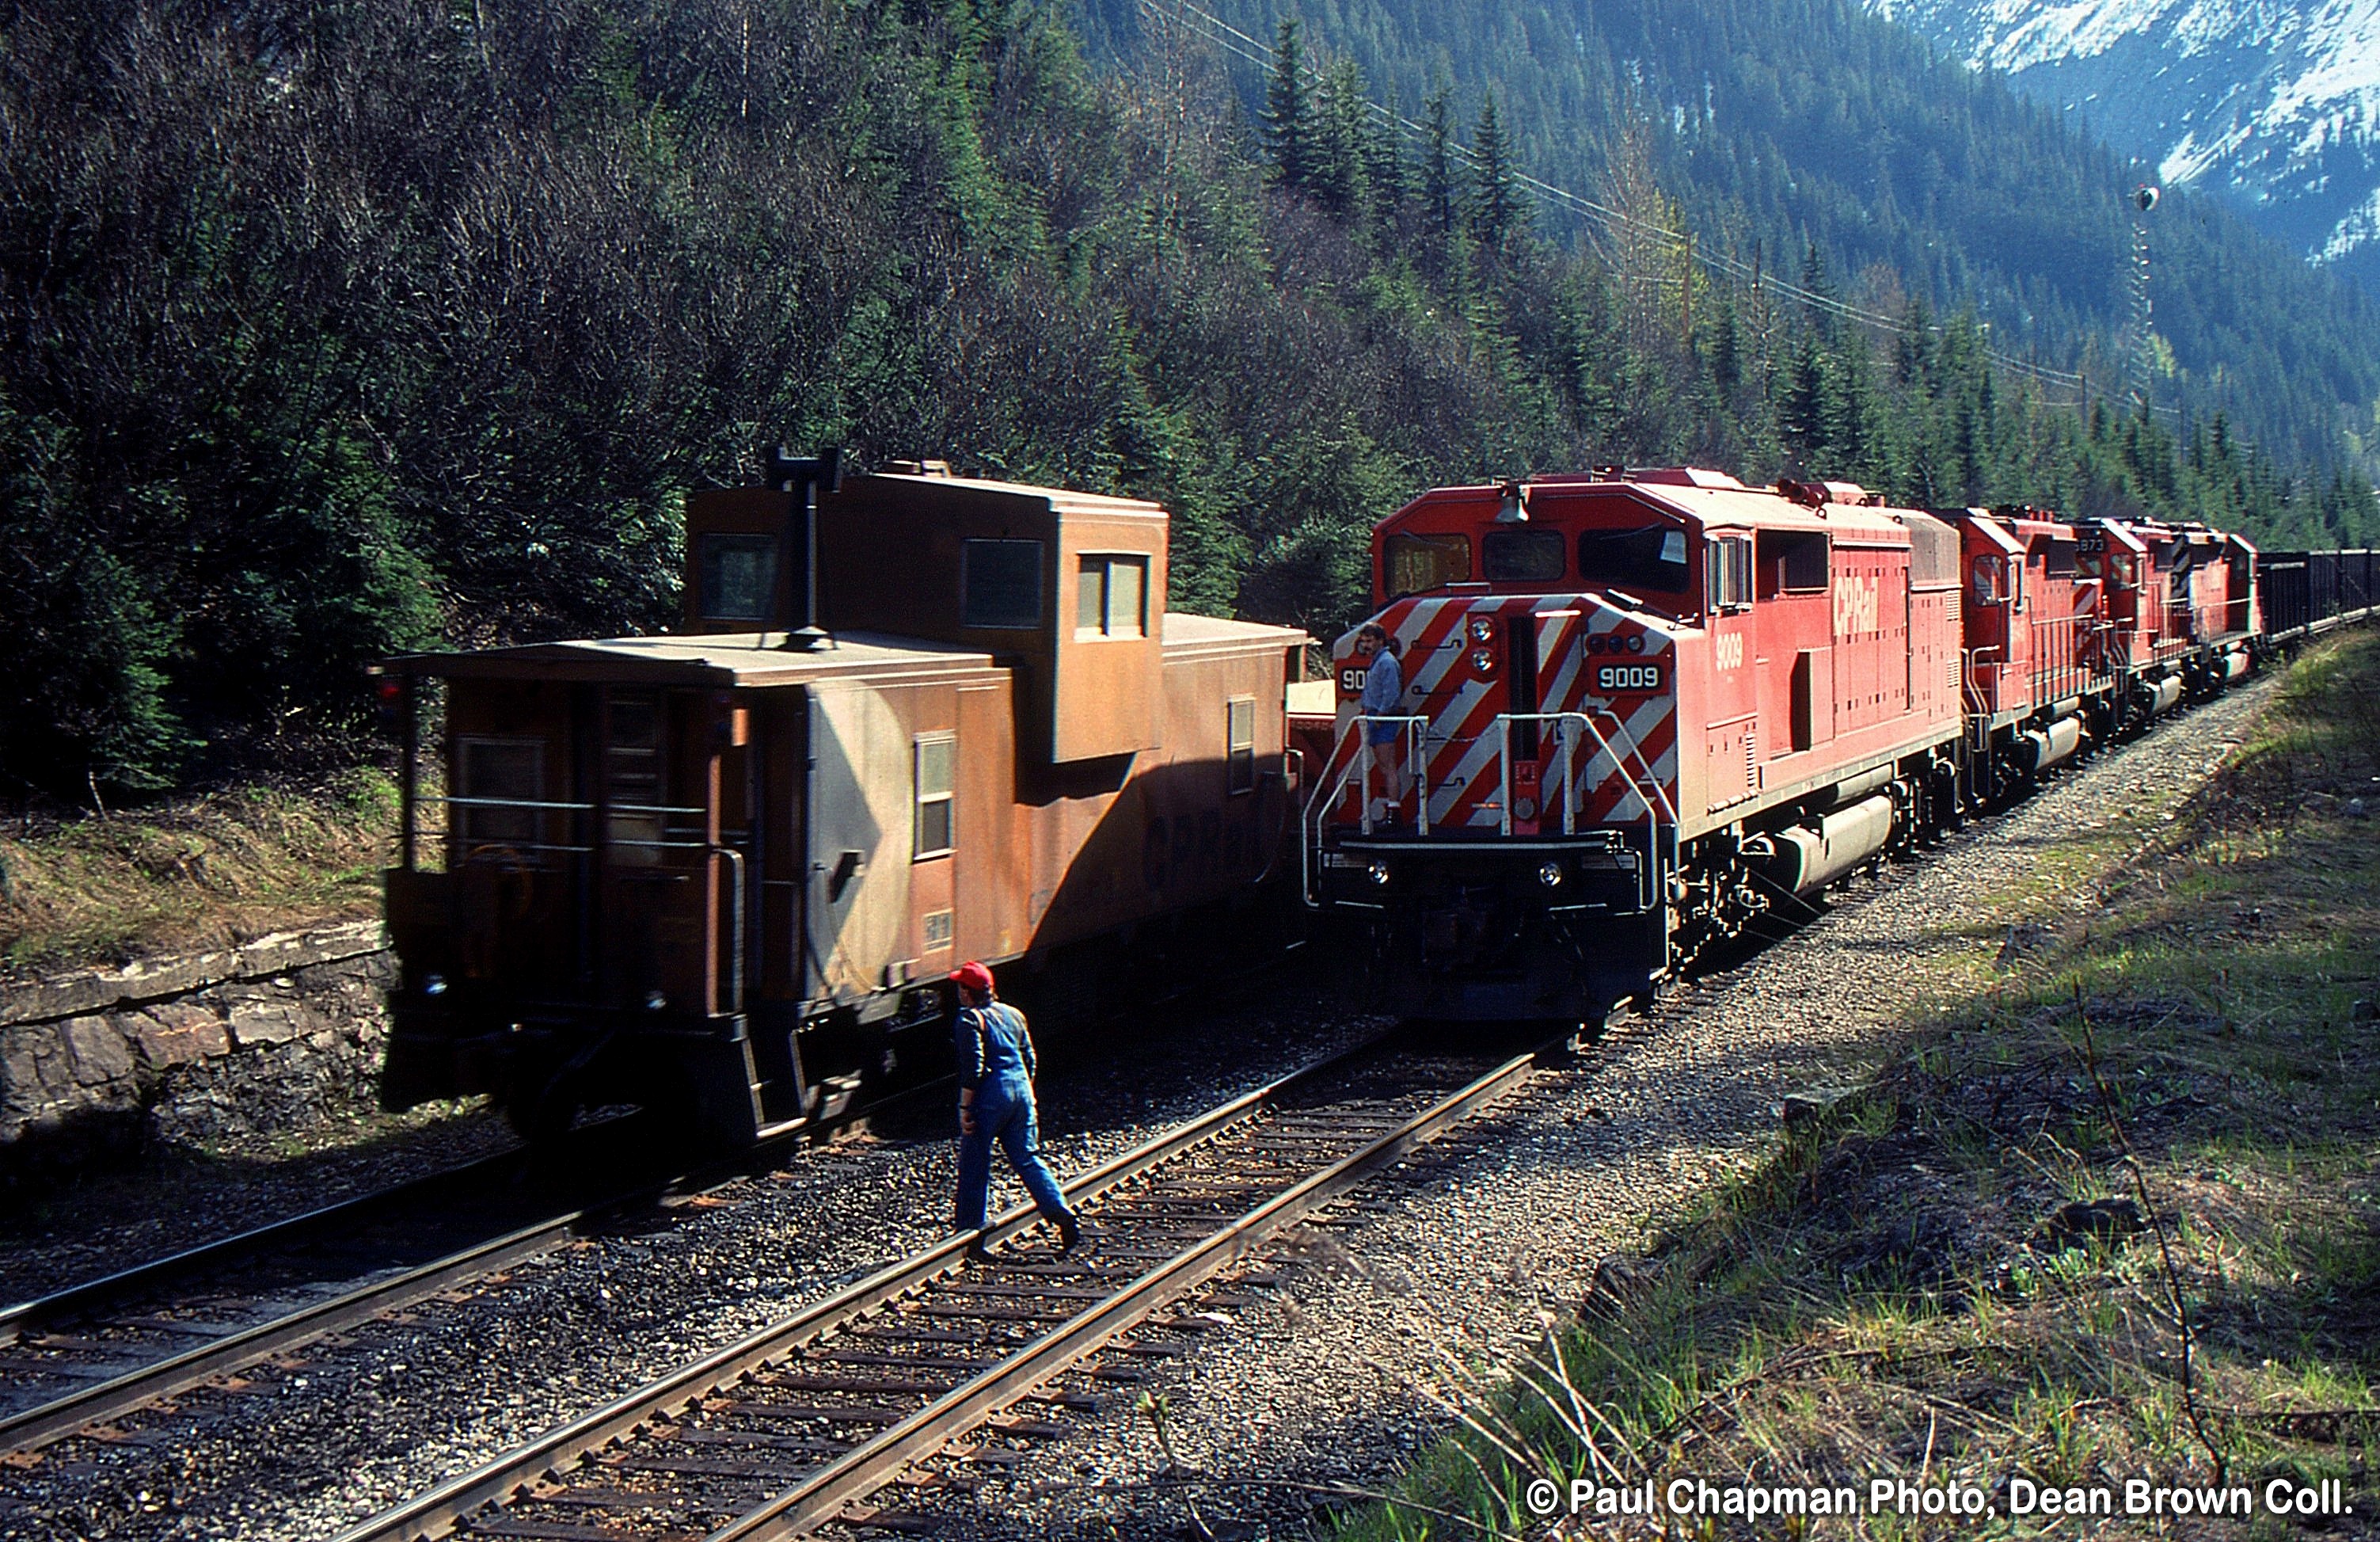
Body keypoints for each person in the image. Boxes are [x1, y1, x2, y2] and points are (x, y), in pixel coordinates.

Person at [948, 961, 1081, 1260]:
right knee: (1028, 1157)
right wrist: (1023, 1093)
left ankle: (971, 1239)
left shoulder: (969, 1019)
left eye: (960, 987)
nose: (958, 992)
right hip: (1022, 1092)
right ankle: (1063, 1216)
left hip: (990, 1098)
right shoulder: (1014, 1015)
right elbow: (1029, 1059)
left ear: (968, 993)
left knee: (975, 1163)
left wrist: (965, 1107)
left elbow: (974, 1068)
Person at [1355, 623, 1409, 823]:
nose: (1366, 645)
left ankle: (1394, 811)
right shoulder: (1377, 662)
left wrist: (1381, 716)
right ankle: (1390, 809)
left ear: (1380, 640)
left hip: (1382, 719)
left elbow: (1391, 693)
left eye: (1370, 641)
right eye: (1364, 641)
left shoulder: (1386, 662)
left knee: (1388, 766)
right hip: (1374, 716)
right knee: (1383, 766)